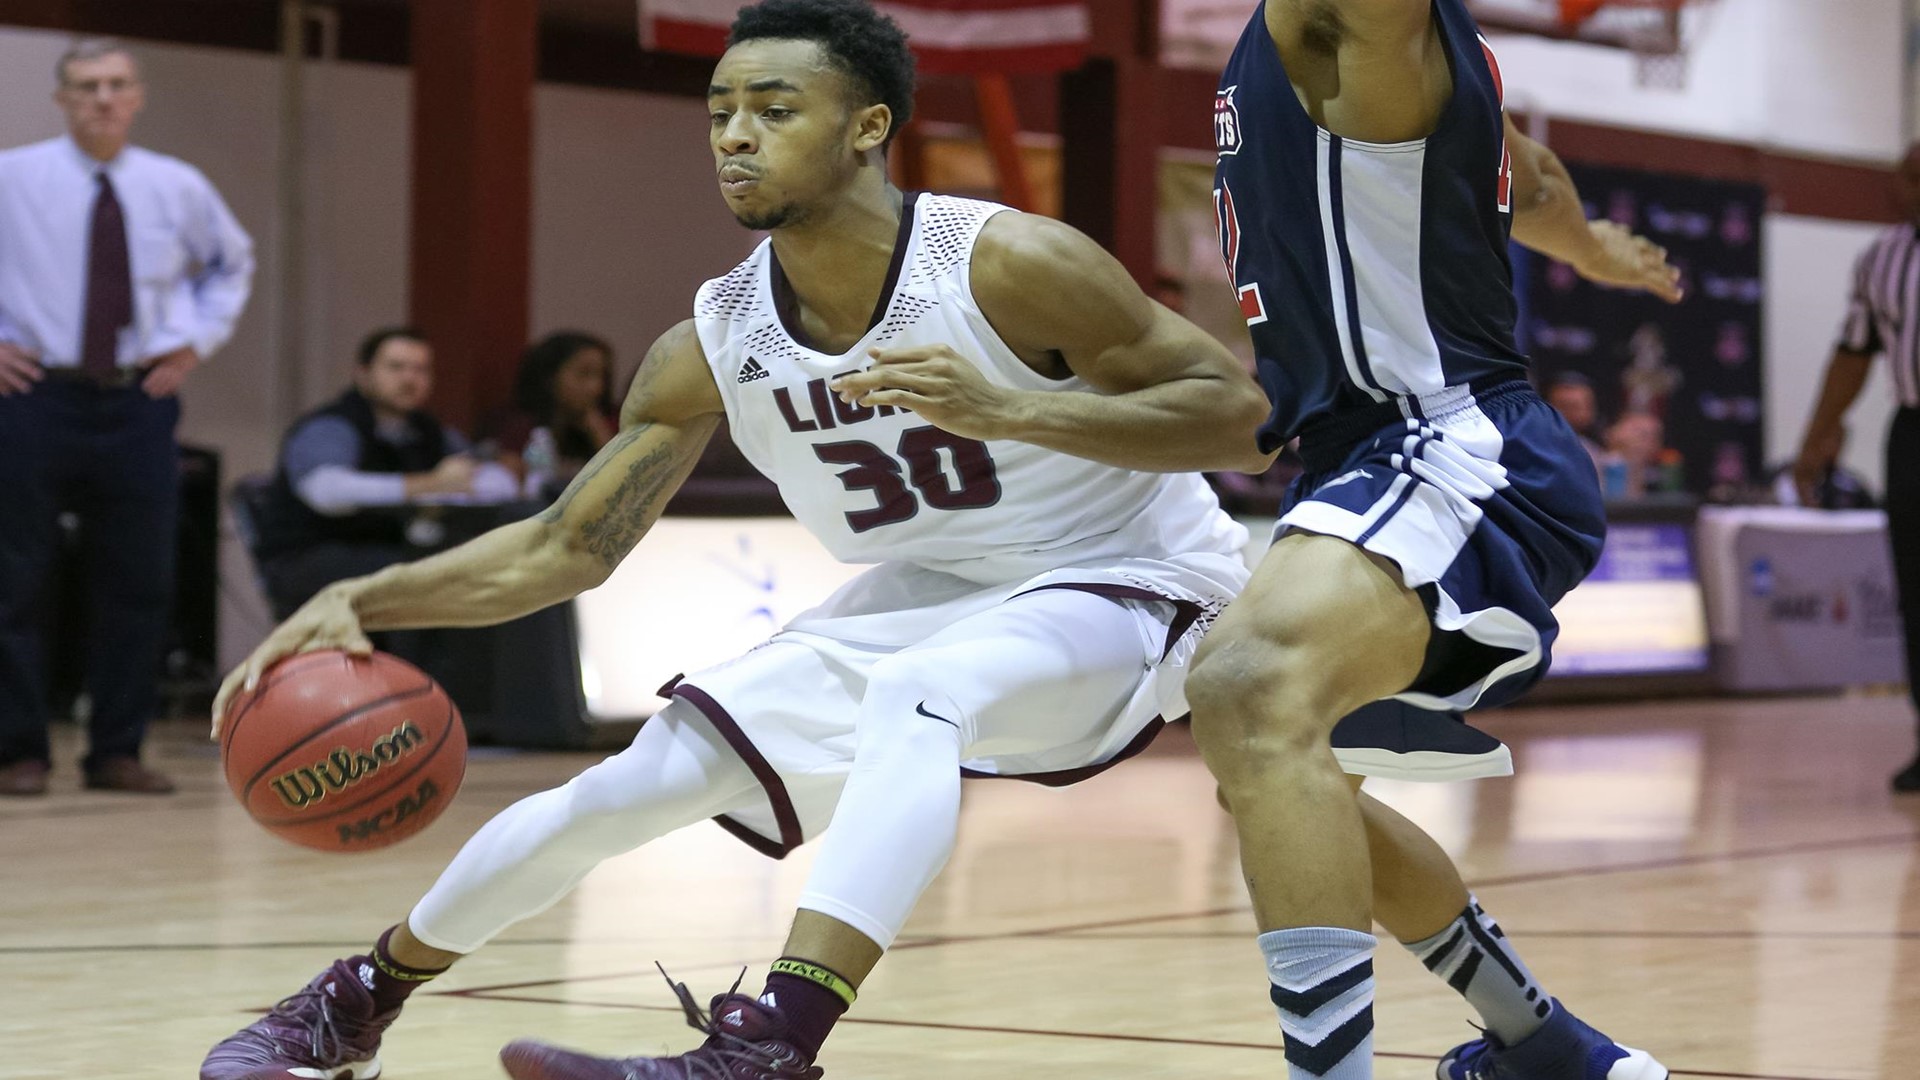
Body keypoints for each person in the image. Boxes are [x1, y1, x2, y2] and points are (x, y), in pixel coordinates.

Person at [201, 3, 1270, 1078]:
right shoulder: (714, 341)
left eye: (773, 108)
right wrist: (366, 600)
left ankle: (769, 1050)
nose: (733, 135)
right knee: (634, 782)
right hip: (942, 588)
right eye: (719, 111)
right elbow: (564, 548)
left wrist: (1016, 411)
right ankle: (352, 1007)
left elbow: (1247, 425)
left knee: (920, 693)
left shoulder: (1009, 263)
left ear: (867, 126)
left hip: (1133, 574)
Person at [1190, 3, 1683, 1079]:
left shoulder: (1348, 23)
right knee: (1274, 776)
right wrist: (1594, 249)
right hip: (1367, 456)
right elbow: (1534, 180)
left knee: (1247, 687)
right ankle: (1547, 1046)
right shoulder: (1395, 53)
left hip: (1446, 440)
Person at [0, 38, 254, 797]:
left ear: (136, 96)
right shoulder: (14, 175)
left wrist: (196, 343)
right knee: (15, 577)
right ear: (62, 100)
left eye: (115, 85)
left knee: (138, 580)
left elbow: (232, 263)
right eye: (86, 86)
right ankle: (19, 750)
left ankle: (116, 748)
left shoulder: (177, 186)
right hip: (33, 394)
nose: (103, 99)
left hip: (137, 400)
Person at [1794, 142, 1920, 792]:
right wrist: (1818, 435)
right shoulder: (1883, 258)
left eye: (1909, 172)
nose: (1898, 183)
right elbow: (1853, 352)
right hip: (1913, 430)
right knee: (1915, 592)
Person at [250, 326, 516, 621]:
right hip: (310, 556)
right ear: (363, 374)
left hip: (391, 549)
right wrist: (431, 484)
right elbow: (326, 492)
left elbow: (492, 479)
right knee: (424, 578)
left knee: (467, 569)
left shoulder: (428, 430)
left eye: (421, 370)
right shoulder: (332, 426)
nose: (409, 379)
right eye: (396, 367)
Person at [483, 330, 619, 496]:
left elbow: (626, 477)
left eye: (601, 376)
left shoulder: (609, 420)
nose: (596, 388)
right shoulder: (517, 424)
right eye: (583, 374)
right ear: (550, 377)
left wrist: (598, 432)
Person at [1544, 370, 1605, 473]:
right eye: (1563, 406)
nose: (1569, 413)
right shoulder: (1538, 448)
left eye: (1575, 406)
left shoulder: (1595, 451)